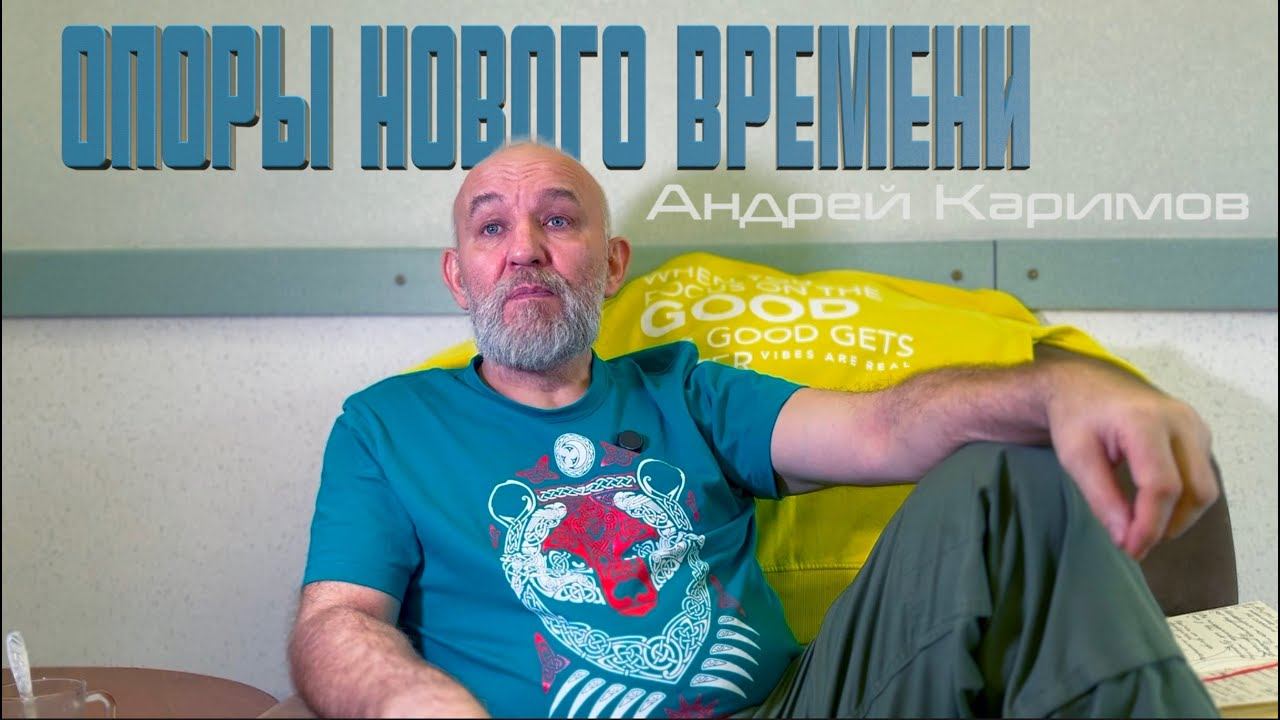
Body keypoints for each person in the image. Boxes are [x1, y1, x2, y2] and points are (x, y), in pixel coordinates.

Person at [288, 143, 1220, 718]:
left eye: (558, 220)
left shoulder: (686, 391)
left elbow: (881, 429)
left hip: (788, 709)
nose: (525, 248)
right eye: (491, 228)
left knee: (1018, 477)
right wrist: (412, 703)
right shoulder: (386, 426)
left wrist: (1060, 389)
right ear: (458, 276)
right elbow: (337, 620)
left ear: (610, 265)